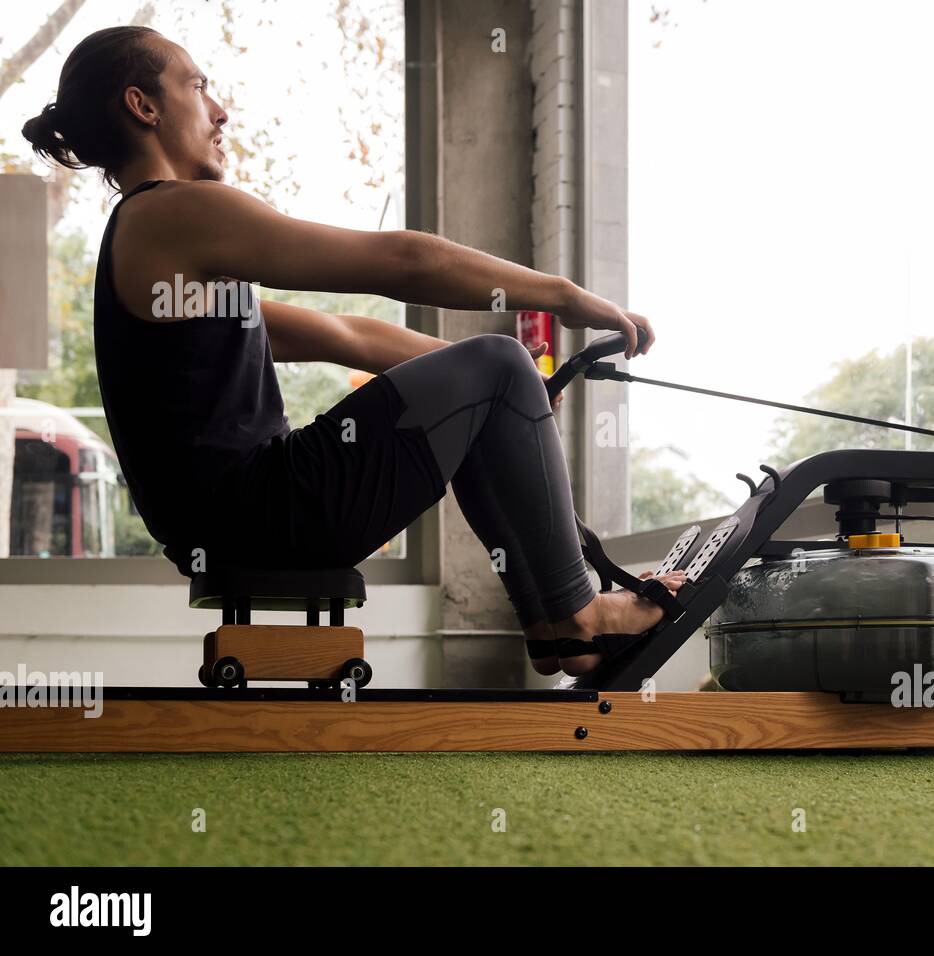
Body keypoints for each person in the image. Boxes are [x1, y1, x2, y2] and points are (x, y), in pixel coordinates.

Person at [20, 26, 685, 678]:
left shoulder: (146, 241)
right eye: (196, 85)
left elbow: (347, 335)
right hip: (265, 513)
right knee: (499, 361)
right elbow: (399, 260)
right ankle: (574, 613)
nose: (219, 110)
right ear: (143, 106)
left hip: (234, 521)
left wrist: (510, 391)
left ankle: (558, 628)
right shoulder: (174, 214)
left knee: (499, 369)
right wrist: (561, 294)